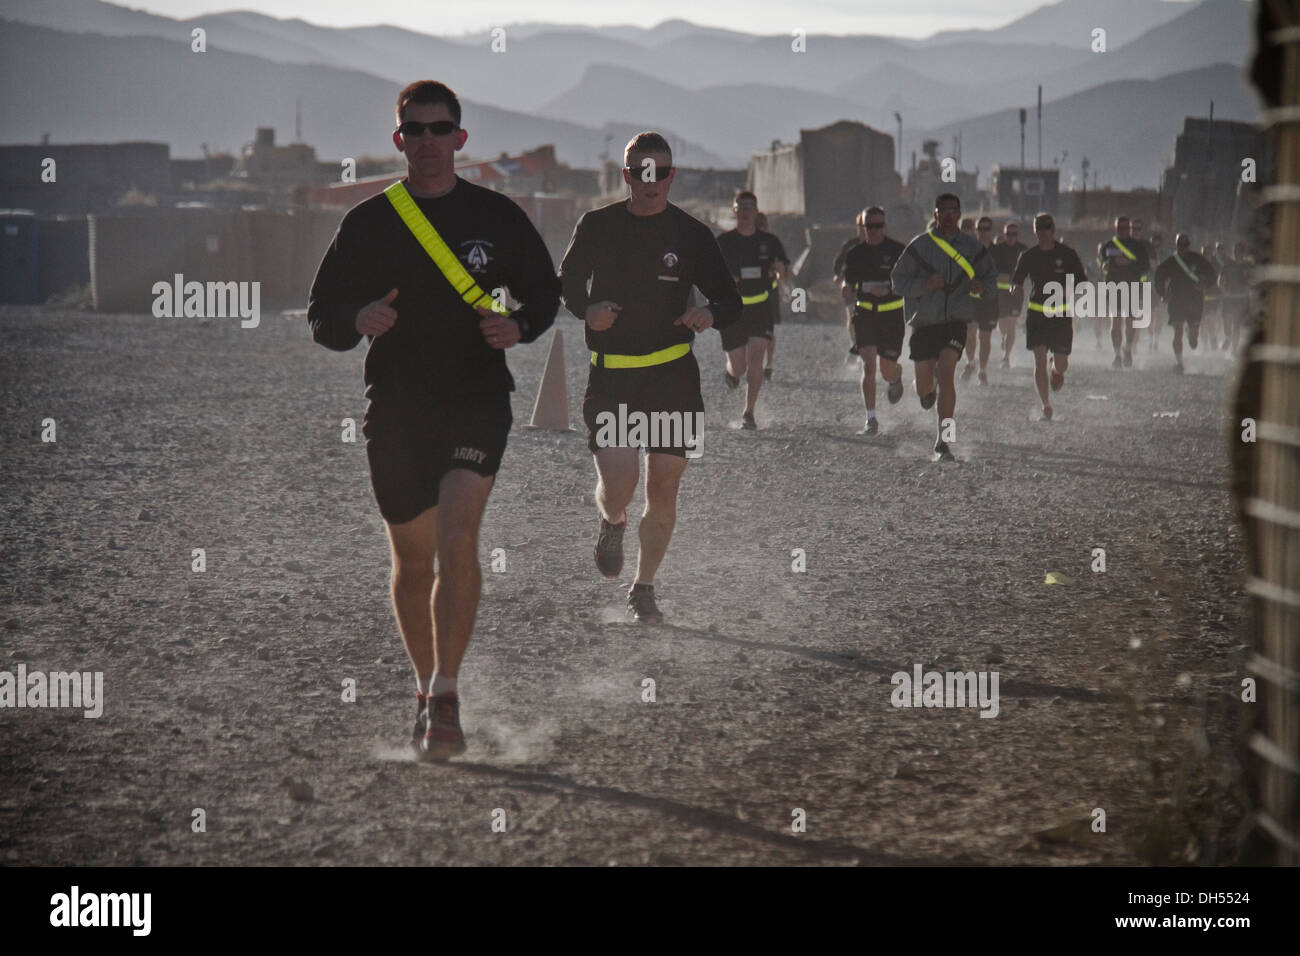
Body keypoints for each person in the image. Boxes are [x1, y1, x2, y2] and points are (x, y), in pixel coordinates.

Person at [307, 80, 561, 761]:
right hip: (395, 409)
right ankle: (425, 687)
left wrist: (520, 325)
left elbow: (545, 290)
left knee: (457, 537)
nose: (426, 141)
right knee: (413, 562)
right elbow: (322, 315)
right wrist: (356, 321)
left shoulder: (497, 216)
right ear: (398, 140)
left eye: (438, 128)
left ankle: (447, 695)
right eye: (413, 130)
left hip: (477, 400)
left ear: (460, 138)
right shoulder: (366, 223)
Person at [559, 132, 742, 623]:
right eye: (641, 171)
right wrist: (587, 308)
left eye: (659, 172)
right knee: (619, 485)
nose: (650, 181)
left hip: (672, 380)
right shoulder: (597, 225)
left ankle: (643, 588)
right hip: (613, 379)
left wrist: (708, 314)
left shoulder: (691, 234)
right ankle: (612, 520)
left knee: (663, 489)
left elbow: (730, 300)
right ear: (627, 176)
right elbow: (567, 283)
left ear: (670, 176)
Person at [890, 193, 997, 461]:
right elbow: (897, 281)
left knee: (947, 371)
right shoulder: (919, 246)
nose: (948, 215)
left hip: (955, 322)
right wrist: (924, 285)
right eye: (943, 210)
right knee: (925, 386)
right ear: (935, 214)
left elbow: (992, 282)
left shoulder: (973, 248)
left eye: (953, 210)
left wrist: (981, 288)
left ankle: (943, 440)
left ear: (960, 215)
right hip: (924, 323)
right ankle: (926, 389)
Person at [717, 192, 789, 427]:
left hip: (761, 307)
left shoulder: (769, 242)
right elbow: (710, 274)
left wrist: (780, 269)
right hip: (732, 310)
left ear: (756, 212)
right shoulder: (724, 242)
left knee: (756, 359)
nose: (746, 211)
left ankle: (748, 413)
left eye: (750, 207)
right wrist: (727, 279)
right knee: (740, 367)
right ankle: (731, 373)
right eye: (742, 207)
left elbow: (785, 270)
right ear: (734, 211)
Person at [1009, 212, 1088, 420]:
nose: (1043, 232)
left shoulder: (1067, 254)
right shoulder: (1029, 255)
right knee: (1039, 359)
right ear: (1035, 231)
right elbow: (1016, 280)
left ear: (1053, 229)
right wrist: (1015, 289)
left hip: (1061, 314)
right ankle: (1045, 405)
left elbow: (1082, 280)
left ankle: (1057, 371)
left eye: (1046, 227)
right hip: (1036, 314)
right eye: (1039, 228)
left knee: (1061, 363)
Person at [841, 205, 906, 434]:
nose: (874, 230)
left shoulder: (898, 251)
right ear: (863, 227)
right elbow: (848, 284)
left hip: (891, 317)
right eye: (870, 226)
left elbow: (909, 284)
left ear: (884, 226)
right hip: (865, 315)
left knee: (886, 369)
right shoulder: (855, 254)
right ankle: (871, 419)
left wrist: (888, 289)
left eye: (878, 226)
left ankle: (896, 378)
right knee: (868, 366)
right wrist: (846, 290)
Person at [1154, 233, 1218, 374]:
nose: (1183, 248)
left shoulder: (1198, 259)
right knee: (1178, 332)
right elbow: (1158, 275)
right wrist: (1162, 294)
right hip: (1176, 302)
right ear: (1176, 245)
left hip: (1195, 301)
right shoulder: (1171, 262)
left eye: (1186, 245)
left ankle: (1192, 333)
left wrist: (1204, 284)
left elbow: (1213, 275)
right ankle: (1179, 363)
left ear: (1189, 245)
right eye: (1180, 245)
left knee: (1194, 340)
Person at [1096, 216, 1149, 368]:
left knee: (1130, 322)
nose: (1123, 231)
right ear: (1116, 228)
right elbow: (1101, 261)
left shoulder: (1138, 247)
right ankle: (1117, 354)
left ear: (1130, 229)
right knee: (1116, 321)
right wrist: (1105, 265)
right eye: (1120, 228)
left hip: (1132, 287)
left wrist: (1129, 263)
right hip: (1113, 287)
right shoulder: (1108, 245)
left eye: (1126, 228)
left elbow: (1145, 266)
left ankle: (1128, 349)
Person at [960, 215, 999, 385]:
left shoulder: (999, 251)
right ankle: (970, 362)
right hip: (971, 300)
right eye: (980, 229)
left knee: (985, 337)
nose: (983, 233)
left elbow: (1006, 274)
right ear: (976, 231)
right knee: (970, 331)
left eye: (986, 229)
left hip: (990, 300)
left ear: (991, 231)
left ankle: (982, 370)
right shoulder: (968, 250)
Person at [992, 220, 1027, 368]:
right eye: (1008, 234)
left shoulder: (1023, 250)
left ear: (1018, 235)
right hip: (1000, 293)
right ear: (1004, 234)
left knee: (1012, 324)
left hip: (1016, 293)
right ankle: (1003, 337)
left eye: (1014, 234)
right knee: (1002, 326)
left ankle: (1006, 357)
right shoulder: (996, 250)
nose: (1011, 237)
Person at [755, 211, 783, 381]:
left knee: (768, 331)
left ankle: (769, 363)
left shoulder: (771, 243)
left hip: (769, 292)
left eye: (762, 226)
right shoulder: (744, 243)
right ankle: (758, 362)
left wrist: (777, 273)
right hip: (748, 293)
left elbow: (781, 266)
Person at [1218, 240, 1251, 353]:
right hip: (1229, 298)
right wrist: (1224, 290)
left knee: (1236, 325)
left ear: (1243, 253)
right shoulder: (1228, 265)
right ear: (1233, 252)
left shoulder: (1248, 266)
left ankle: (1234, 350)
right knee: (1227, 323)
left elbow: (1254, 279)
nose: (1238, 254)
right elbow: (1220, 281)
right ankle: (1228, 337)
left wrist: (1249, 285)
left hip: (1242, 299)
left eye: (1240, 252)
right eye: (1236, 251)